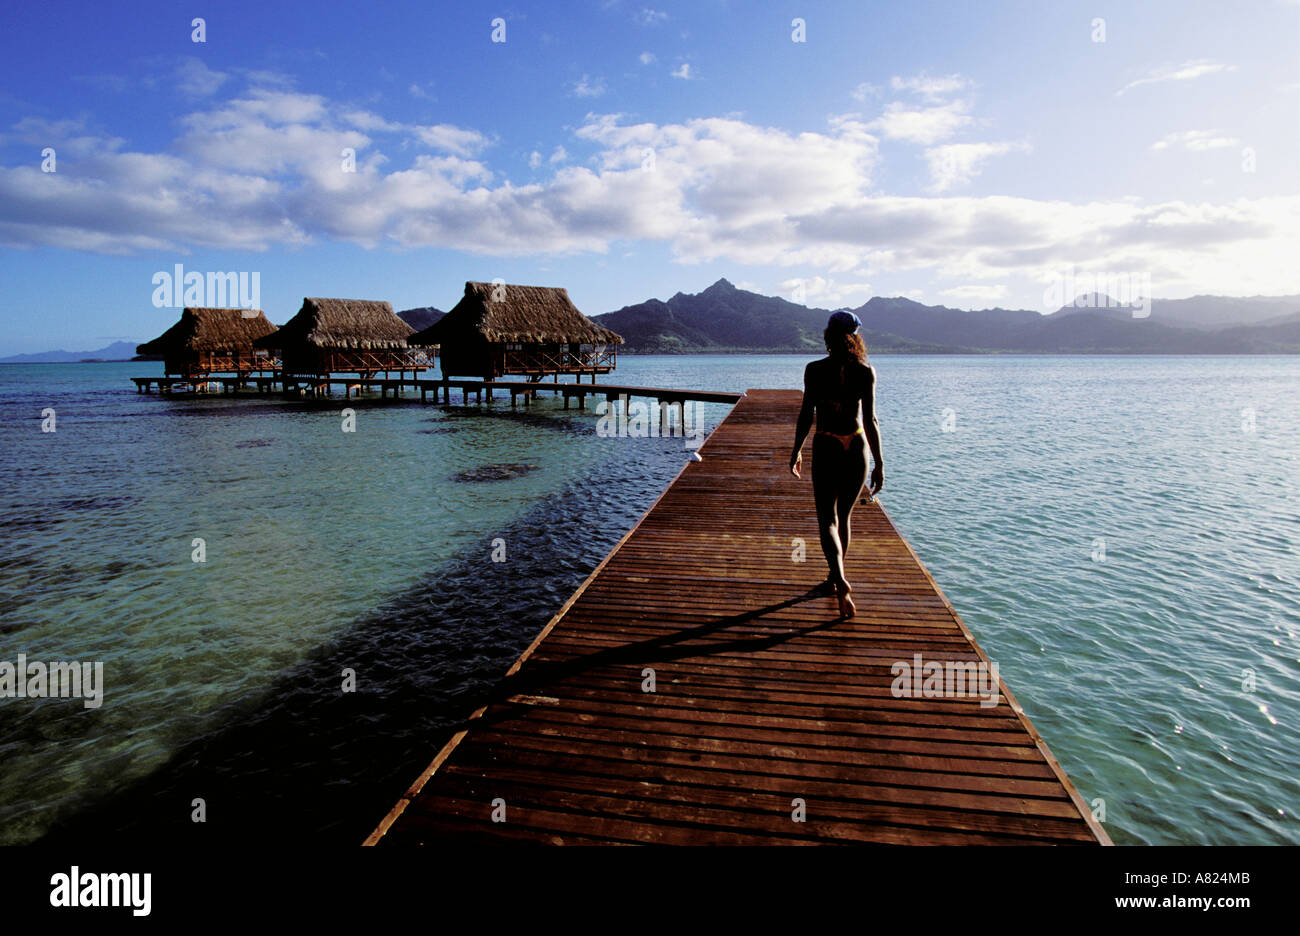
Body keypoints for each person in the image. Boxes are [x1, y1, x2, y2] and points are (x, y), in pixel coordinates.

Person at [789, 311, 884, 618]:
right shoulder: (865, 371)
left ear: (827, 337)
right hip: (856, 445)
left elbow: (807, 414)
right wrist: (879, 463)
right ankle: (834, 578)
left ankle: (838, 580)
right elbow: (869, 420)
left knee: (827, 520)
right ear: (855, 337)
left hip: (828, 442)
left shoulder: (814, 370)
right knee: (844, 517)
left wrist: (797, 449)